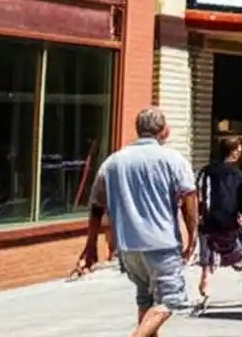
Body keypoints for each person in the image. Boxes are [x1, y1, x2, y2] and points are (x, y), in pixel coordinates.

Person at [72, 107, 198, 337]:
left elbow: (97, 207)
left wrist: (90, 247)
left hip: (127, 246)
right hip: (162, 244)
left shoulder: (113, 162)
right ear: (163, 131)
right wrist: (193, 237)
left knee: (146, 299)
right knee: (172, 300)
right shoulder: (173, 159)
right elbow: (190, 199)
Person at [196, 134, 242, 305]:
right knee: (237, 256)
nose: (240, 153)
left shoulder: (205, 171)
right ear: (233, 152)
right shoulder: (236, 175)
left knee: (206, 251)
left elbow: (198, 193)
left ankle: (205, 280)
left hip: (207, 221)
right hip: (228, 222)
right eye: (239, 150)